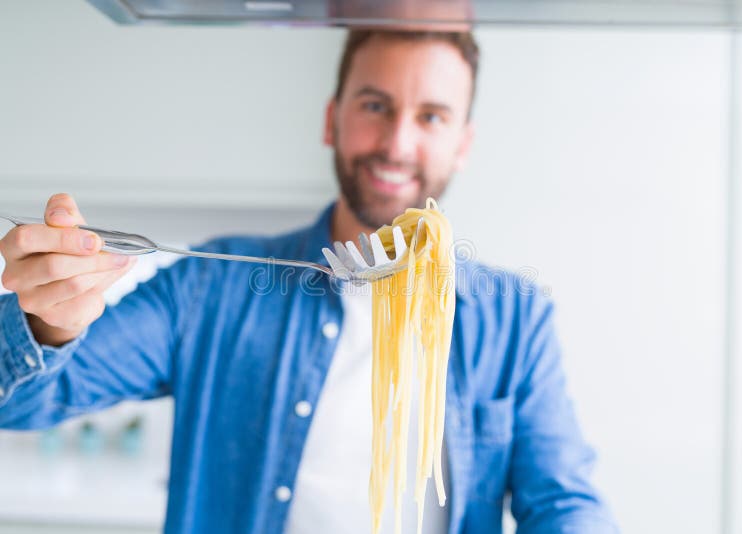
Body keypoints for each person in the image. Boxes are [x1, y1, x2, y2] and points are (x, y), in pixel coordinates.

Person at [0, 29, 618, 533]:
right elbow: (24, 401)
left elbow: (564, 503)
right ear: (332, 120)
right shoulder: (207, 290)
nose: (397, 142)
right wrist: (49, 319)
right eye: (375, 106)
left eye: (431, 116)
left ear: (463, 144)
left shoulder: (513, 319)